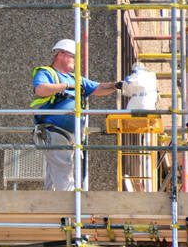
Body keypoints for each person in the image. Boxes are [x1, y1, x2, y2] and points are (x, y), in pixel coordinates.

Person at [30, 38, 123, 191]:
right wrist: (66, 86)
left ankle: (48, 204)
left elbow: (98, 88)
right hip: (52, 129)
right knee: (63, 167)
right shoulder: (47, 73)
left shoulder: (75, 78)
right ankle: (68, 204)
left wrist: (116, 85)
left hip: (69, 134)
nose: (75, 61)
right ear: (61, 54)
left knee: (56, 168)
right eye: (73, 57)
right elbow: (40, 89)